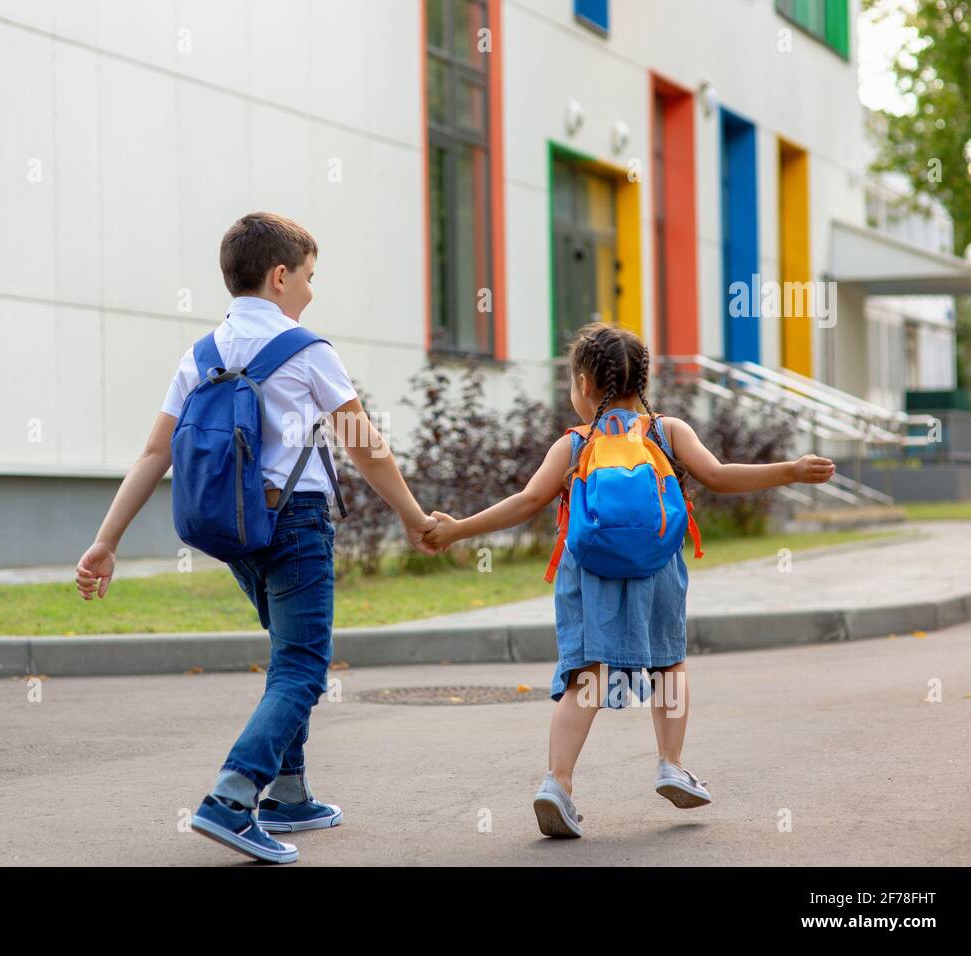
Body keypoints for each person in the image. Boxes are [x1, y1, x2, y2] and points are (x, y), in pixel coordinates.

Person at [74, 211, 439, 863]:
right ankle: (233, 798)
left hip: (232, 529)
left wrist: (106, 541)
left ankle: (291, 795)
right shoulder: (307, 350)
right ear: (279, 277)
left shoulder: (200, 355)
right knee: (303, 665)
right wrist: (413, 516)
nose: (311, 290)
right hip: (293, 522)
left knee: (286, 655)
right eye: (308, 276)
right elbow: (365, 445)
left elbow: (154, 454)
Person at [423, 322, 834, 838]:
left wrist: (458, 530)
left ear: (584, 384)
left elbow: (527, 502)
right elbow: (720, 476)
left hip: (588, 573)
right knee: (669, 664)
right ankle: (670, 763)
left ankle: (558, 783)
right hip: (656, 569)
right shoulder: (667, 431)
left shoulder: (575, 443)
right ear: (642, 381)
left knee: (585, 676)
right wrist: (790, 470)